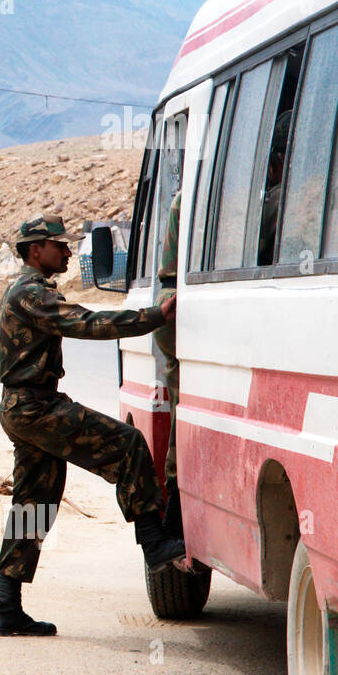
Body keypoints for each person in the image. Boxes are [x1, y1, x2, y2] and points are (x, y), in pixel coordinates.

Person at [0, 214, 184, 637]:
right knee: (128, 443)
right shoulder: (31, 293)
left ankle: (6, 606)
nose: (65, 252)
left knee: (33, 505)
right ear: (34, 250)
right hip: (35, 407)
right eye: (57, 245)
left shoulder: (23, 290)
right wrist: (154, 316)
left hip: (24, 407)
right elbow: (87, 323)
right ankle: (155, 542)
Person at [154, 190, 182, 538]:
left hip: (172, 293)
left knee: (182, 404)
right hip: (176, 298)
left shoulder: (184, 193)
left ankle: (171, 523)